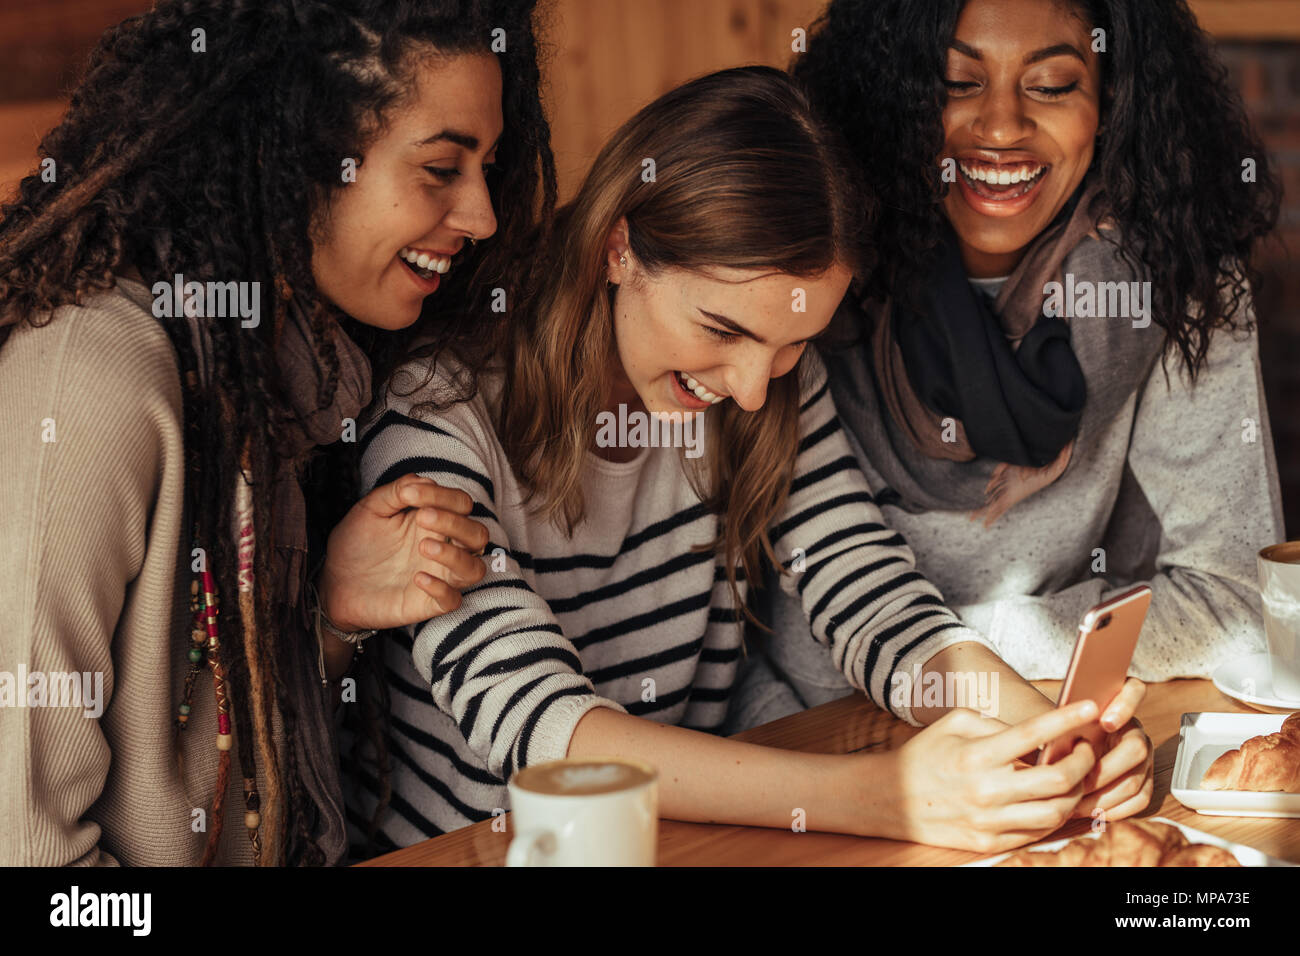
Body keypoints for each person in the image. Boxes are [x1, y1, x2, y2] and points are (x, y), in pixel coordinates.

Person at [343, 66, 1151, 858]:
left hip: (686, 842)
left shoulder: (768, 378)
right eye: (722, 330)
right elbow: (543, 730)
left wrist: (1042, 729)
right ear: (618, 248)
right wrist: (890, 797)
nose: (753, 391)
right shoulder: (436, 417)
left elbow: (863, 585)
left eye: (789, 344)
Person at [0, 0, 554, 866]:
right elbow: (28, 853)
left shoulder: (284, 371)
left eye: (489, 165)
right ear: (294, 156)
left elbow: (227, 761)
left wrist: (326, 615)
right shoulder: (93, 384)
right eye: (442, 167)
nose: (482, 214)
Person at [730, 0, 1284, 735]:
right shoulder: (811, 280)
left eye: (1051, 86)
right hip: (806, 739)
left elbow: (1236, 606)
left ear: (1111, 100)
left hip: (1050, 727)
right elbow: (794, 646)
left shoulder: (1177, 280)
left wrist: (956, 659)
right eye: (956, 83)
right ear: (890, 94)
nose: (999, 127)